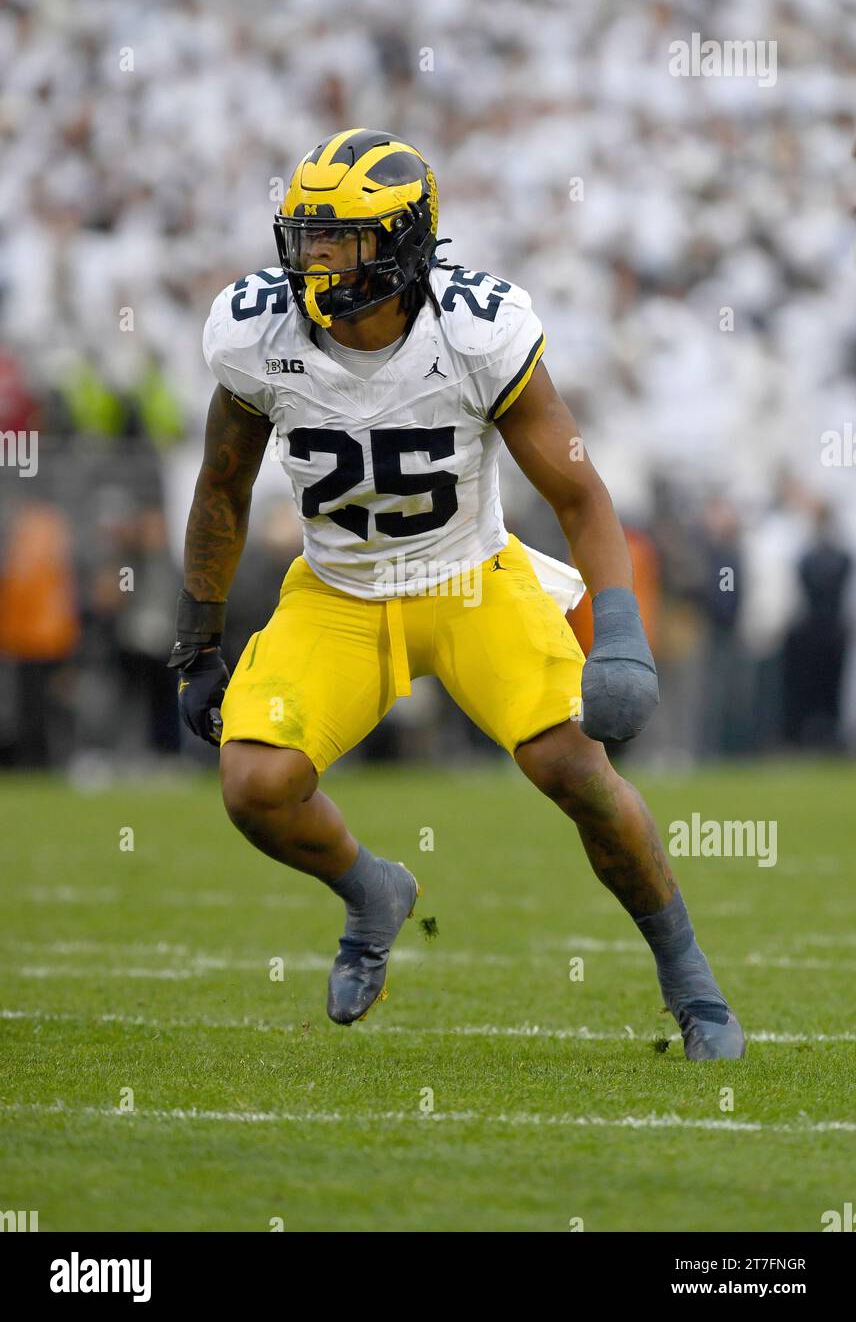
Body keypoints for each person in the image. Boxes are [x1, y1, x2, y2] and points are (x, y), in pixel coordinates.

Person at [168, 129, 744, 1059]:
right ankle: (373, 892)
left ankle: (691, 980)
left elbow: (579, 493)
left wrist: (624, 635)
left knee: (574, 771)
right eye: (306, 236)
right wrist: (197, 640)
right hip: (338, 591)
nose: (314, 259)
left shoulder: (475, 331)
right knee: (255, 785)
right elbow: (222, 485)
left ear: (398, 242)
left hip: (472, 579)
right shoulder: (257, 332)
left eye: (339, 240)